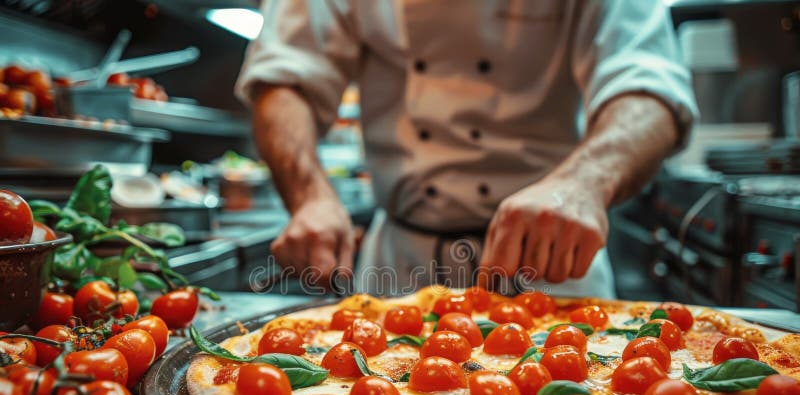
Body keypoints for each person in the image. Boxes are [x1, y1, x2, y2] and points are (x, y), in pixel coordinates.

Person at [236, 0, 698, 297]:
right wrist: (310, 195)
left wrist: (585, 182)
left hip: (553, 267)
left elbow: (647, 86)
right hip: (398, 269)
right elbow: (285, 78)